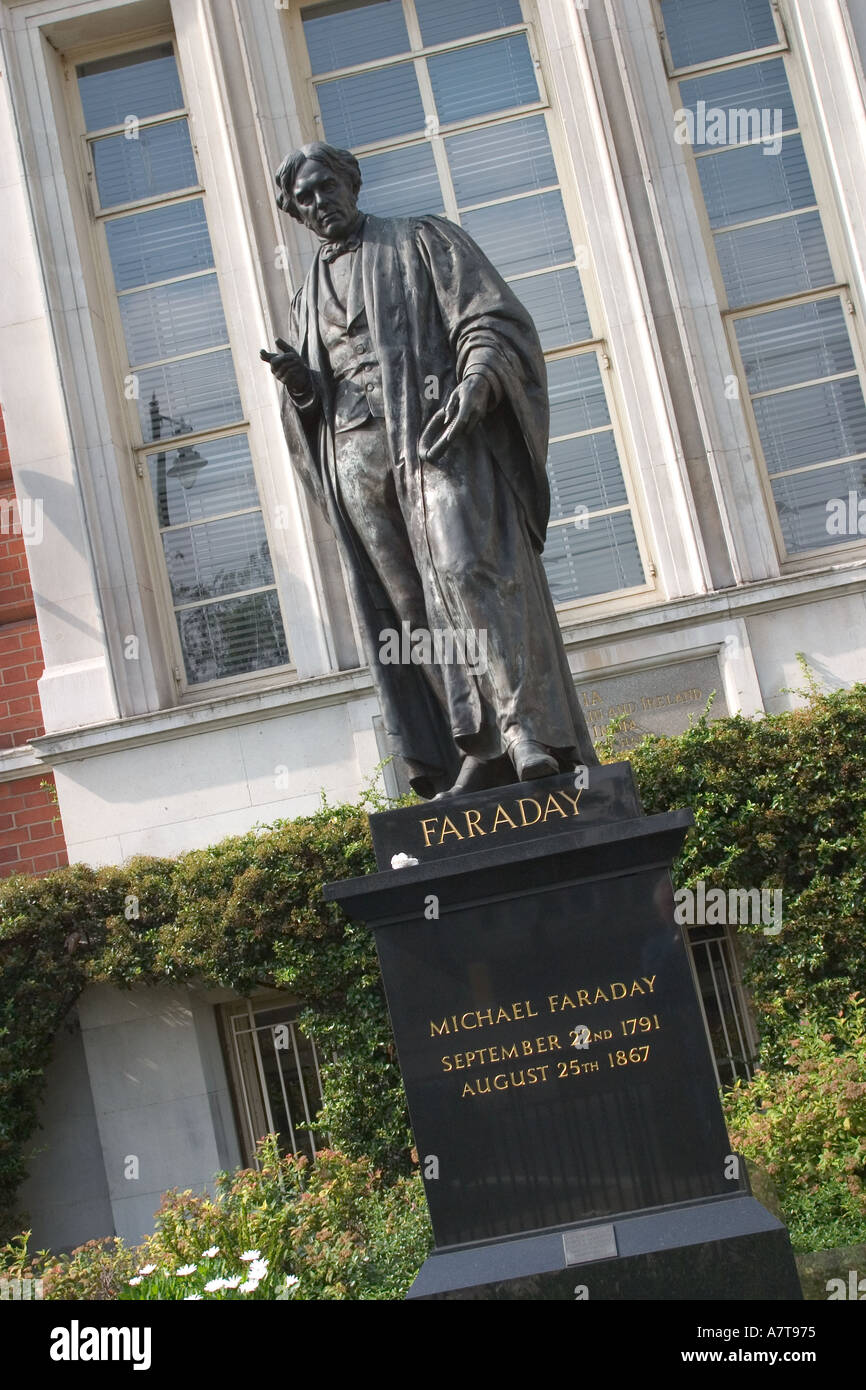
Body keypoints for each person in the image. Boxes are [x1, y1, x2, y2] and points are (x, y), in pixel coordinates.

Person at [262, 142, 597, 799]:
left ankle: (524, 730)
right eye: (304, 199)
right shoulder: (306, 301)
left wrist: (478, 382)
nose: (319, 203)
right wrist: (303, 389)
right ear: (295, 214)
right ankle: (475, 746)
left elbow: (490, 320)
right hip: (358, 457)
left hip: (435, 440)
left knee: (467, 570)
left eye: (326, 186)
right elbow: (311, 405)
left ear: (350, 183)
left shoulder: (422, 240)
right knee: (410, 612)